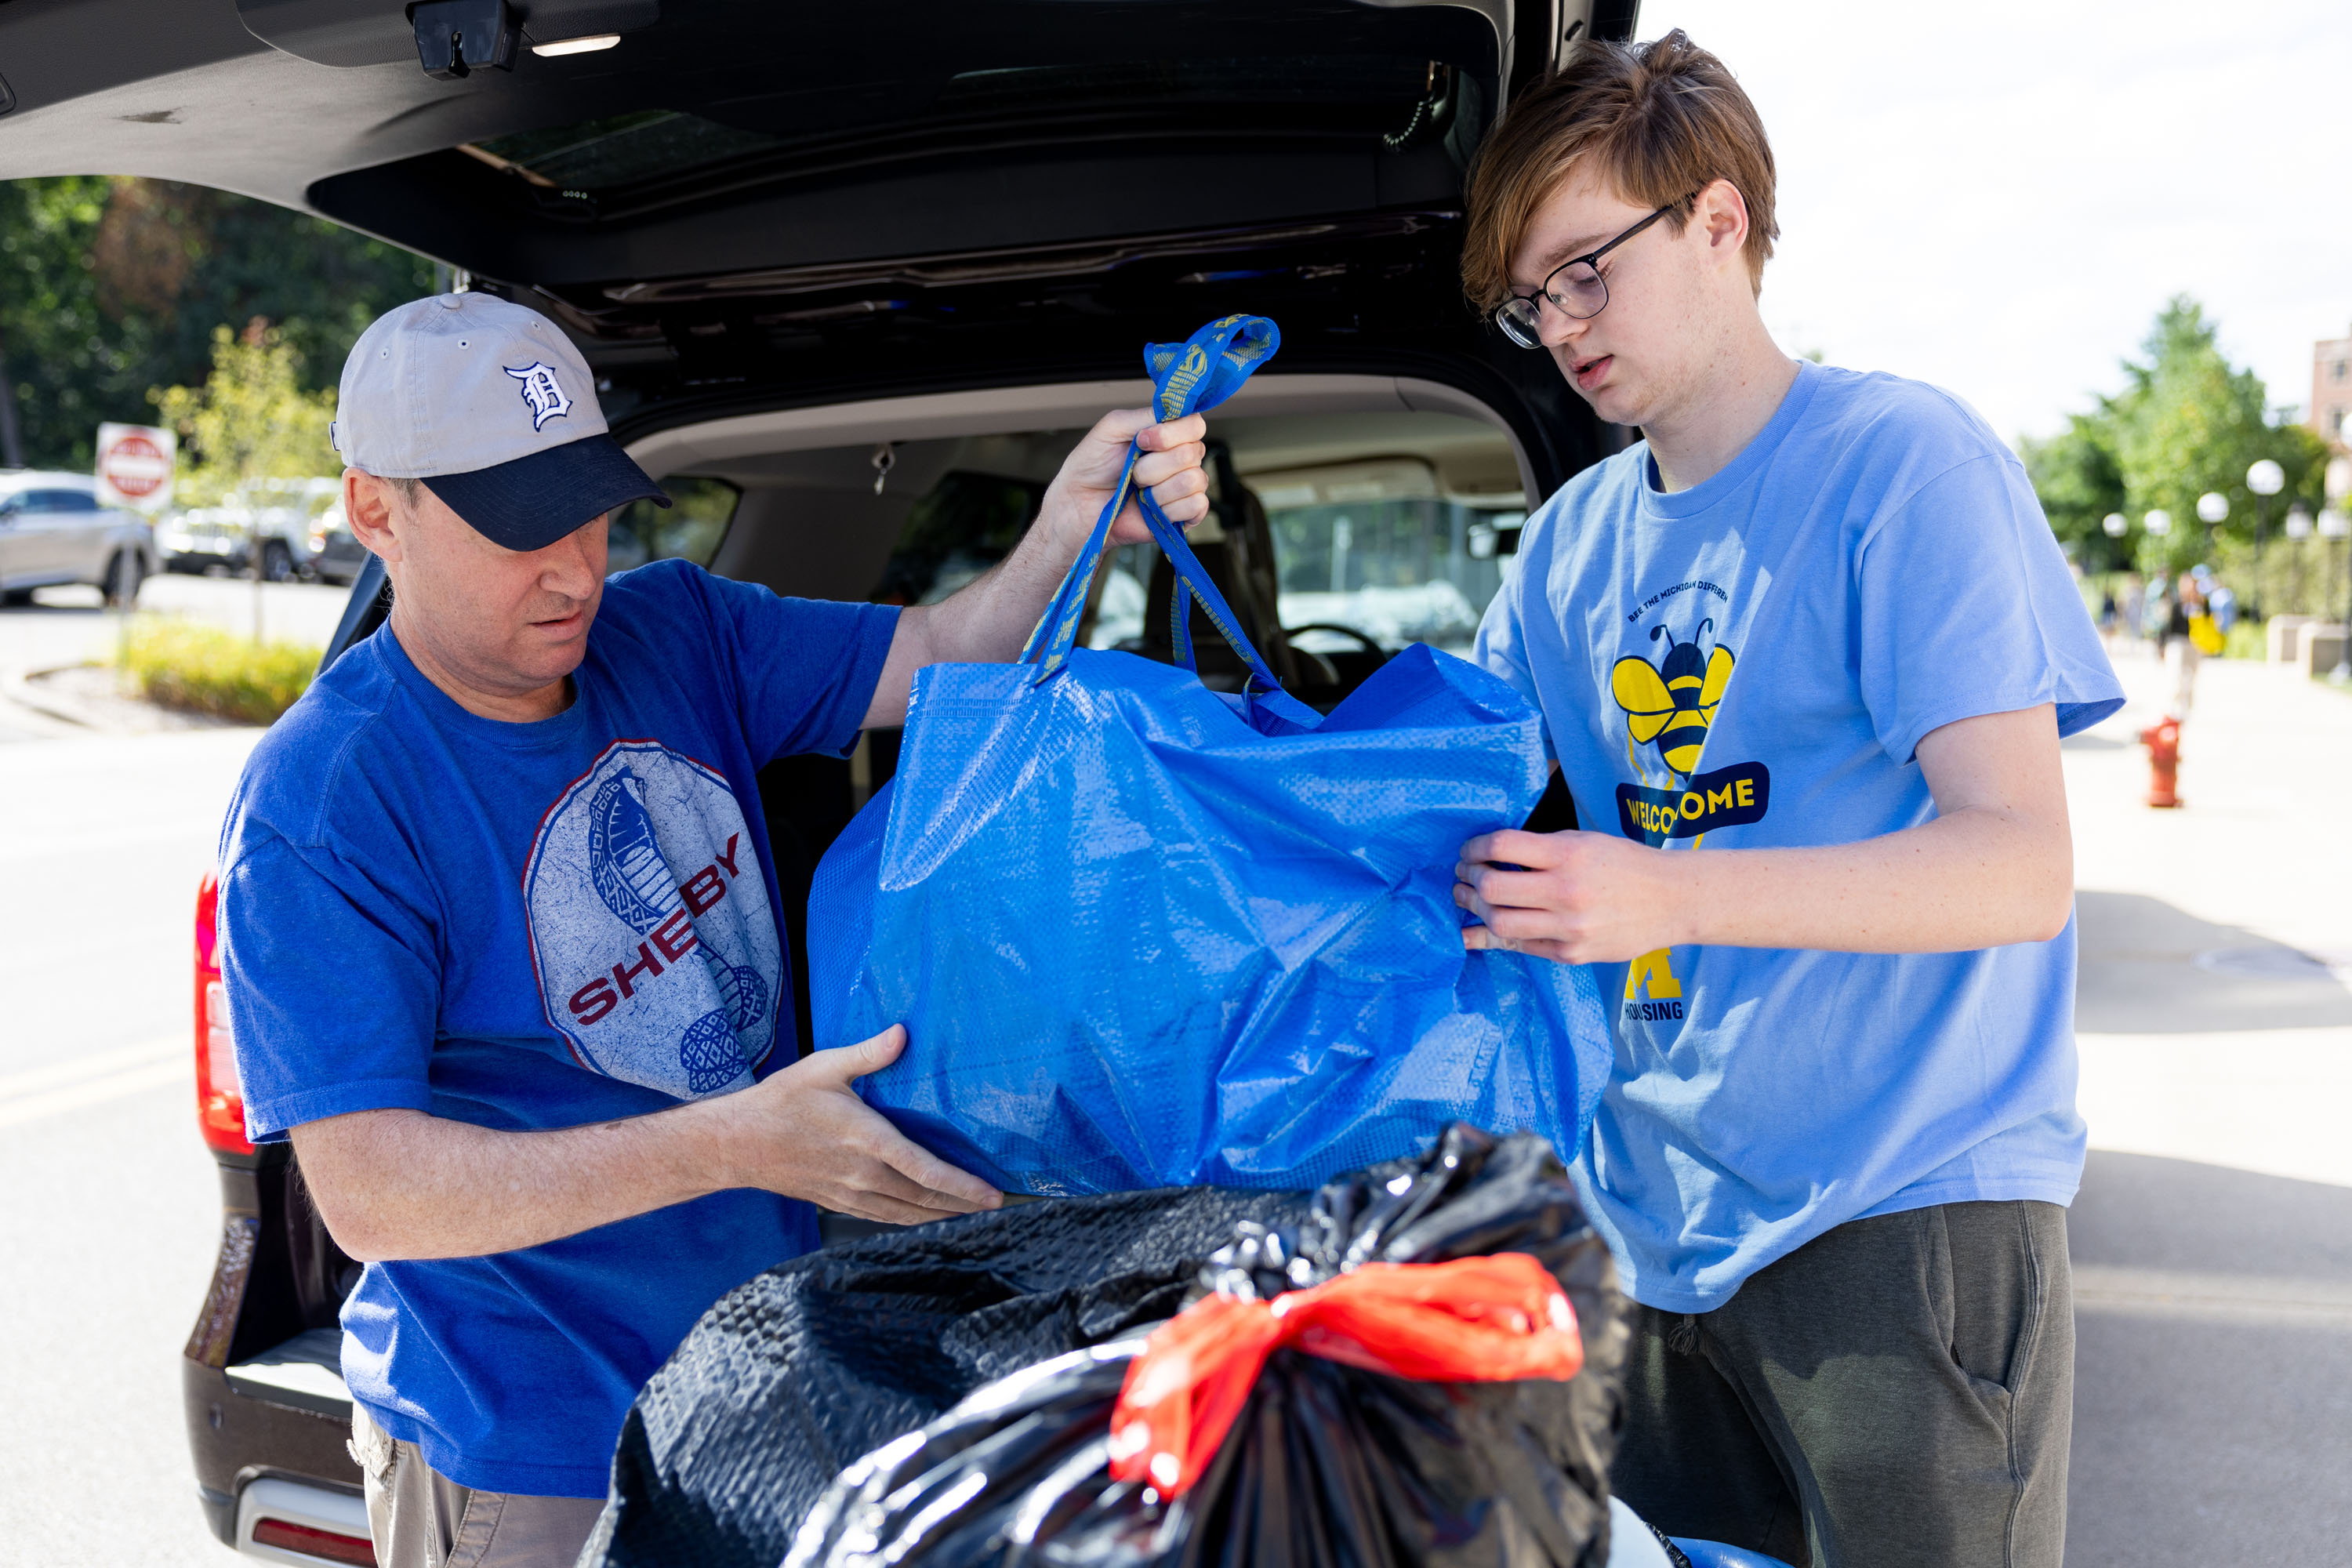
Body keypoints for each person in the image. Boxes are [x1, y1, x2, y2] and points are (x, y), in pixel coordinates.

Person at [215, 292, 1213, 1568]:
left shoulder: (673, 627)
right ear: (375, 512)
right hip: (534, 1450)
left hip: (767, 1392)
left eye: (585, 505)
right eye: (517, 529)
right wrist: (744, 1143)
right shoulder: (328, 799)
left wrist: (1068, 531)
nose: (575, 564)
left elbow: (945, 653)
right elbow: (372, 1193)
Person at [1446, 33, 2122, 1568]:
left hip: (1906, 1215)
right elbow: (1426, 790)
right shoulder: (1566, 553)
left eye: (1588, 271)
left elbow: (2018, 864)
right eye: (1530, 297)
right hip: (1659, 1241)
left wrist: (1667, 893)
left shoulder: (1904, 464)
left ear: (1720, 219)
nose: (1559, 325)